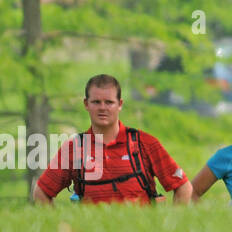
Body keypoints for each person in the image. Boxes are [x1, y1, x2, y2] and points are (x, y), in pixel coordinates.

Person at [33, 73, 193, 205]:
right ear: (86, 104)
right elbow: (41, 193)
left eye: (109, 102)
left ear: (120, 104)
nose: (103, 107)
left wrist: (169, 229)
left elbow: (183, 188)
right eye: (96, 102)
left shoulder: (145, 143)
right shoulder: (75, 149)